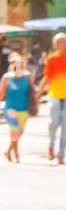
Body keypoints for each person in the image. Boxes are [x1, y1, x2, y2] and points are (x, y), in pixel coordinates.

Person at [0, 53, 31, 162]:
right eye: (13, 63)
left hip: (23, 109)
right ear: (10, 65)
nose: (16, 65)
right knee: (14, 131)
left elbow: (31, 93)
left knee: (19, 132)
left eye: (18, 63)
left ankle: (8, 151)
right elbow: (0, 93)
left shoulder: (27, 76)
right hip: (10, 108)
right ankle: (16, 154)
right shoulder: (7, 77)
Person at [37, 32, 66, 164]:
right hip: (54, 95)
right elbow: (47, 77)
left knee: (65, 126)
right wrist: (38, 94)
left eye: (63, 42)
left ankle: (61, 153)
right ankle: (51, 146)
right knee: (53, 123)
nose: (61, 44)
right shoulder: (52, 58)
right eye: (58, 42)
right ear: (55, 44)